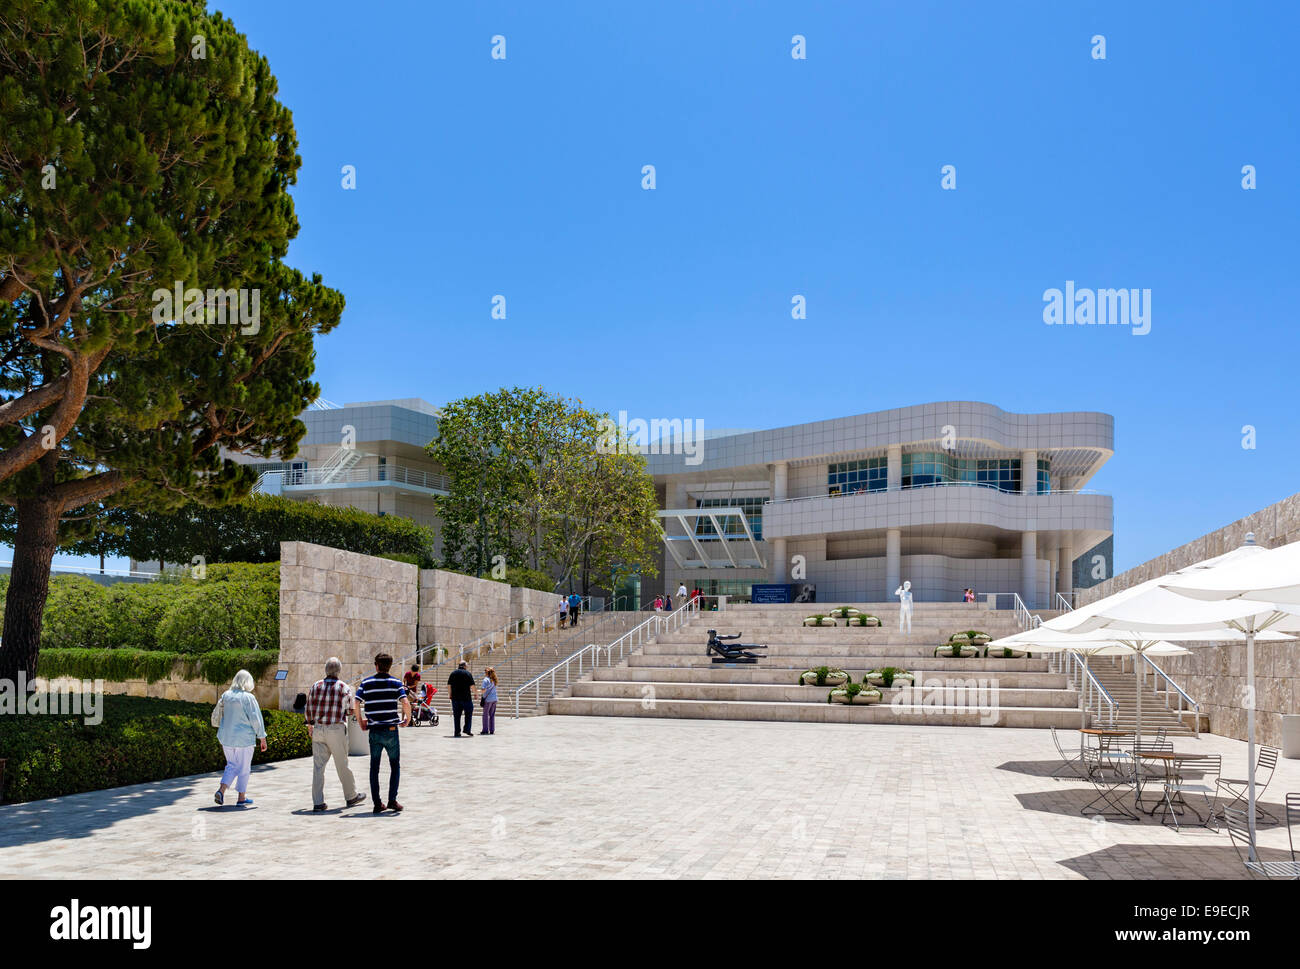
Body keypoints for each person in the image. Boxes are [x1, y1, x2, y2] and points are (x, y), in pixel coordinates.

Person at [305, 657, 367, 812]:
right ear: (339, 671)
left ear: (325, 670)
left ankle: (318, 802)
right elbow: (350, 710)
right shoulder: (343, 687)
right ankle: (351, 796)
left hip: (319, 728)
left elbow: (309, 709)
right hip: (336, 729)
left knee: (318, 767)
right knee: (342, 765)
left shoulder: (316, 685)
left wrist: (310, 725)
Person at [353, 652, 411, 813]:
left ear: (376, 665)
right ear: (390, 666)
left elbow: (356, 702)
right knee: (394, 766)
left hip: (375, 731)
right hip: (391, 730)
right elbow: (405, 702)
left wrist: (360, 721)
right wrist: (407, 718)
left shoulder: (366, 683)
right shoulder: (395, 682)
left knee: (374, 767)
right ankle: (392, 800)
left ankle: (377, 803)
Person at [212, 669, 266, 807]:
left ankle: (221, 790)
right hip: (244, 739)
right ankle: (241, 797)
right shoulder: (248, 697)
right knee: (244, 768)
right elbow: (256, 719)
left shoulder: (226, 695)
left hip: (227, 737)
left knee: (231, 765)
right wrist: (262, 737)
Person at [448, 660, 476, 737]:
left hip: (455, 698)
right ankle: (467, 729)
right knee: (468, 714)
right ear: (464, 666)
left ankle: (457, 732)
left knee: (456, 716)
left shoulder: (453, 673)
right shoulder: (468, 674)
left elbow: (449, 685)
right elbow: (472, 686)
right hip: (466, 698)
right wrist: (475, 693)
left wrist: (450, 695)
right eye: (466, 665)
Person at [479, 666, 499, 735]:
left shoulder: (486, 680)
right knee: (492, 715)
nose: (484, 673)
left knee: (485, 715)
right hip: (494, 699)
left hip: (488, 700)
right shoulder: (494, 680)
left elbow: (483, 690)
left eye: (485, 671)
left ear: (487, 673)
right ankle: (492, 730)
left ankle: (485, 730)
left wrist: (478, 691)